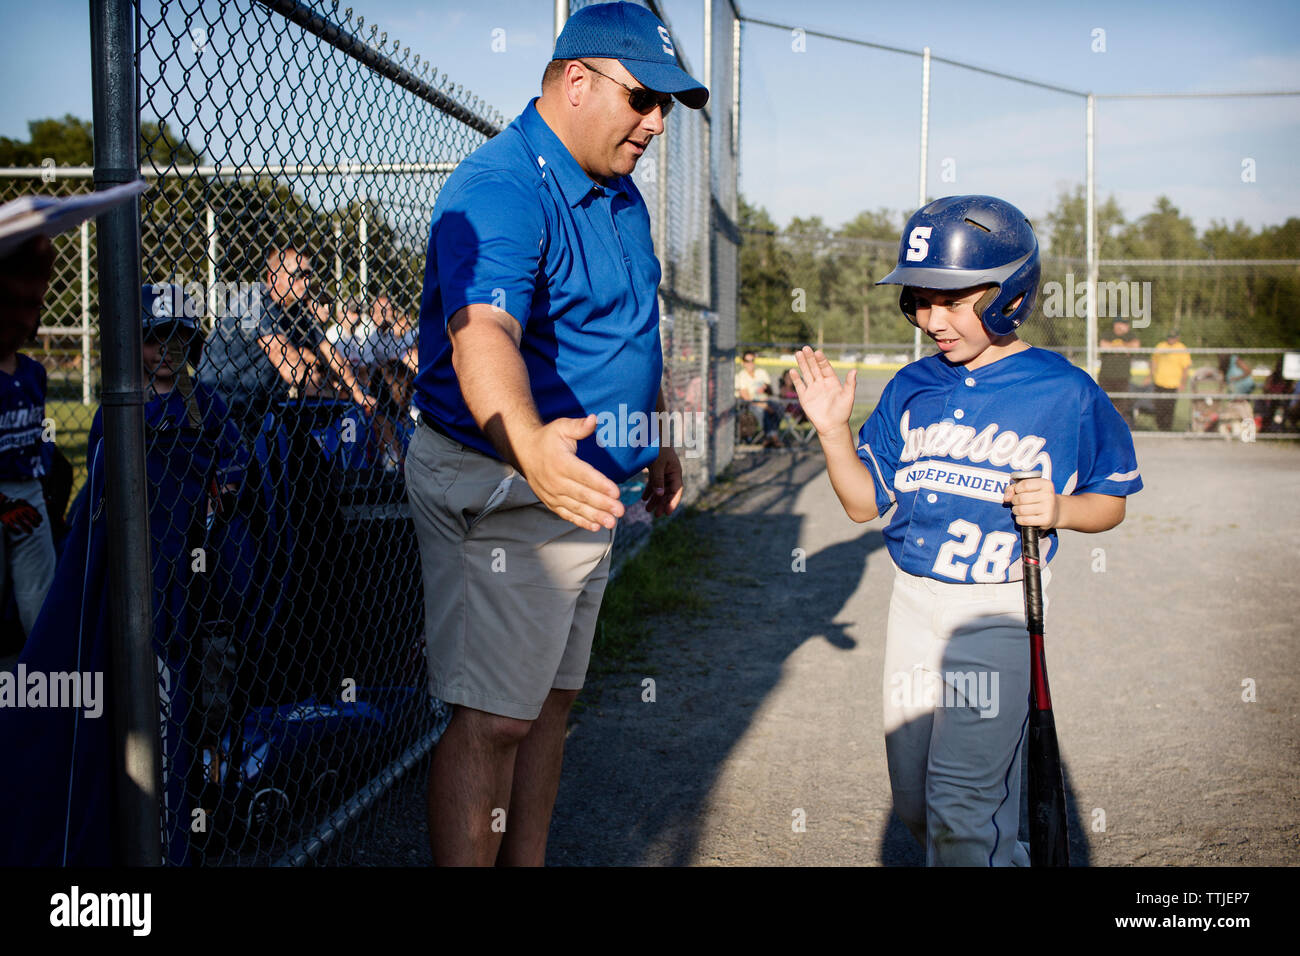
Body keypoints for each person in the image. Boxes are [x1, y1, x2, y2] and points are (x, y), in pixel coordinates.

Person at [406, 0, 706, 866]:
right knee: (494, 717)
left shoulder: (616, 192)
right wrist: (530, 444)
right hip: (503, 477)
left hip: (583, 485)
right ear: (577, 81)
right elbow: (482, 330)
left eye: (664, 110)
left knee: (548, 704)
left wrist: (651, 438)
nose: (655, 124)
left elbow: (619, 325)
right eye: (643, 100)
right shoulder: (501, 187)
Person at [792, 195, 1142, 866]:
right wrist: (834, 433)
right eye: (920, 302)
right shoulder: (911, 387)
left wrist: (1063, 510)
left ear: (1009, 294)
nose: (932, 320)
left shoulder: (1063, 391)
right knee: (918, 805)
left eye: (952, 301)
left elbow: (1111, 501)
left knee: (960, 807)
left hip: (997, 612)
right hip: (914, 608)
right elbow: (866, 505)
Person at [197, 244, 376, 431]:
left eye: (308, 275)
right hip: (218, 404)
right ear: (273, 277)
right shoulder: (252, 300)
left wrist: (356, 391)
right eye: (298, 276)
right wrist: (337, 394)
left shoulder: (296, 309)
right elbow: (287, 362)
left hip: (259, 408)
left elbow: (326, 349)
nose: (306, 283)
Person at [0, 234, 56, 642]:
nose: (24, 319)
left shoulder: (33, 373)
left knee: (40, 587)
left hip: (27, 487)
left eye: (31, 308)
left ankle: (44, 668)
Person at [1098, 318, 1140, 422]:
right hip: (1106, 376)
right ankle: (1106, 426)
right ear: (1116, 324)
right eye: (1123, 324)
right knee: (1104, 404)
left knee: (1121, 405)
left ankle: (1118, 427)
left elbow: (1135, 346)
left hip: (1123, 377)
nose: (1126, 327)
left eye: (1126, 324)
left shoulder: (1130, 335)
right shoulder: (1108, 334)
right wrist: (1124, 348)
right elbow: (1103, 345)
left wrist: (1114, 347)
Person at [1149, 329, 1191, 431]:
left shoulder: (1182, 348)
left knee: (1169, 408)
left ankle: (1167, 430)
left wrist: (1183, 383)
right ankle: (1160, 428)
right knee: (1159, 407)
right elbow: (1154, 361)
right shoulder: (1161, 346)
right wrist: (1151, 376)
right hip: (1159, 382)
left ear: (1177, 338)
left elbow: (1186, 368)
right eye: (1169, 337)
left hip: (1173, 384)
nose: (1171, 339)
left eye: (1173, 337)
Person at [735, 350, 779, 444]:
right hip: (751, 404)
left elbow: (770, 391)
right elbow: (746, 397)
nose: (750, 363)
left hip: (766, 400)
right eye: (747, 361)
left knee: (778, 407)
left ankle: (771, 437)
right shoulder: (741, 376)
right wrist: (762, 405)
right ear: (743, 363)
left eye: (752, 360)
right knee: (763, 411)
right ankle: (773, 437)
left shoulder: (761, 372)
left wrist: (766, 388)